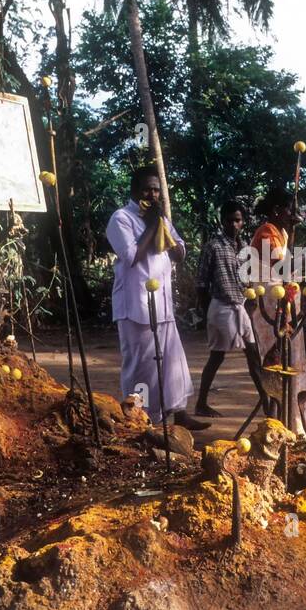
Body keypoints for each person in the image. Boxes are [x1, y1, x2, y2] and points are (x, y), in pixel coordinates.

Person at [105, 166, 208, 431]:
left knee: (172, 362)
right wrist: (152, 226)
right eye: (147, 189)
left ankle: (179, 414)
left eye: (156, 189)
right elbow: (131, 256)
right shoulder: (121, 218)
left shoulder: (160, 218)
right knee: (141, 368)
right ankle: (140, 419)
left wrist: (162, 227)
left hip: (162, 304)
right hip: (135, 305)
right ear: (134, 190)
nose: (152, 194)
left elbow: (180, 251)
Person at [249, 187, 306, 435]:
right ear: (278, 210)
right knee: (276, 360)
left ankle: (291, 423)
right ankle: (278, 424)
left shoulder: (280, 233)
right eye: (290, 209)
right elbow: (284, 267)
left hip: (282, 304)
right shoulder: (267, 233)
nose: (293, 214)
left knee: (289, 359)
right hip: (270, 306)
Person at [193, 199, 267, 417]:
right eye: (230, 221)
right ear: (222, 221)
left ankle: (267, 403)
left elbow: (249, 279)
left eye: (238, 220)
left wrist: (251, 300)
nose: (234, 225)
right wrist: (207, 311)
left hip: (241, 307)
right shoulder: (213, 246)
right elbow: (201, 283)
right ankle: (201, 403)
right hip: (221, 306)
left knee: (253, 354)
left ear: (243, 222)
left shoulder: (245, 249)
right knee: (217, 356)